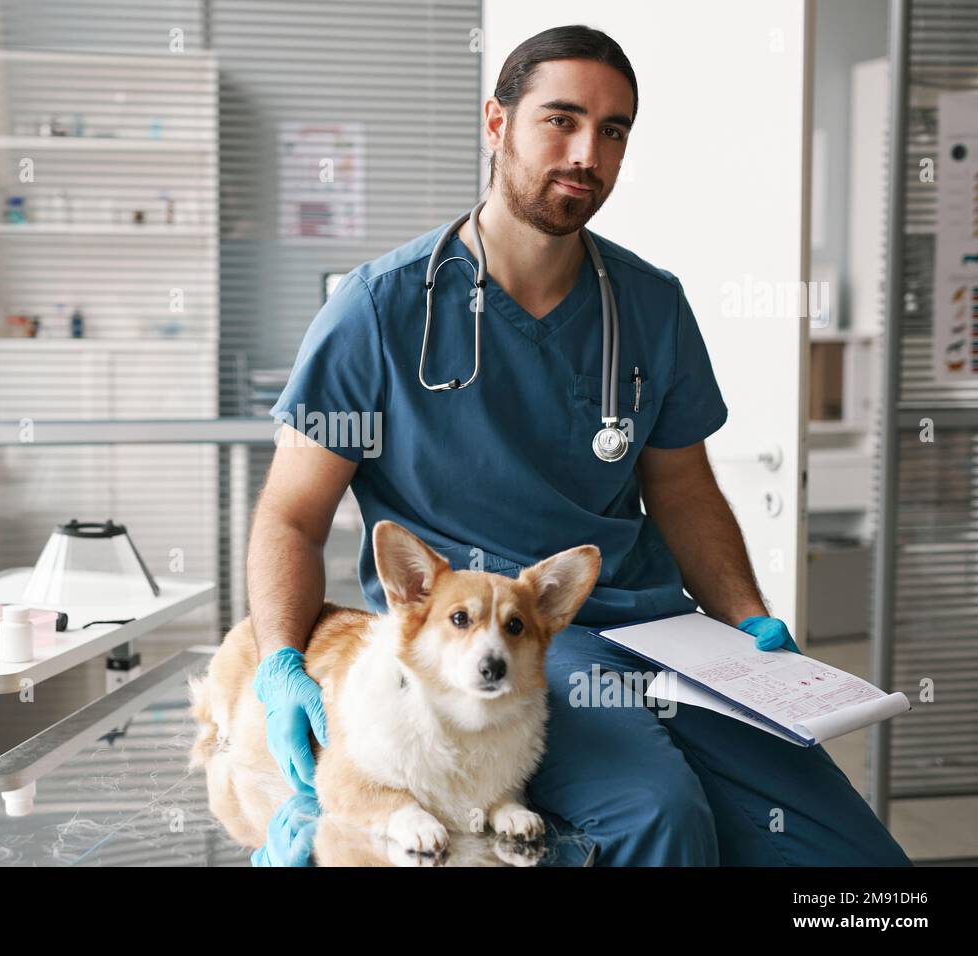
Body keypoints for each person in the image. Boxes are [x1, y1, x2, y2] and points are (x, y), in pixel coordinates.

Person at [243, 24, 910, 867]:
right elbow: (291, 518)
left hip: (666, 640)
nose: (587, 151)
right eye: (560, 119)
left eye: (614, 129)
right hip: (513, 644)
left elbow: (683, 490)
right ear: (497, 123)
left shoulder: (650, 305)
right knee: (660, 819)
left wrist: (747, 621)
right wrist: (281, 666)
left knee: (851, 861)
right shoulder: (380, 311)